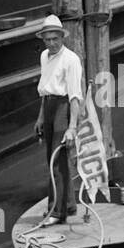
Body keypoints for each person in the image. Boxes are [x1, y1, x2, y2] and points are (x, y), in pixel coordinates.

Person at [33, 14, 83, 225]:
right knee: (51, 159)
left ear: (62, 37)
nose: (51, 43)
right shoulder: (44, 56)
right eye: (47, 39)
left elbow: (75, 96)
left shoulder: (71, 59)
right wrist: (41, 117)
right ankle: (68, 205)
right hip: (49, 106)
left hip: (64, 107)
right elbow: (45, 91)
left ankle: (57, 212)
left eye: (55, 38)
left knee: (57, 160)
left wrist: (72, 127)